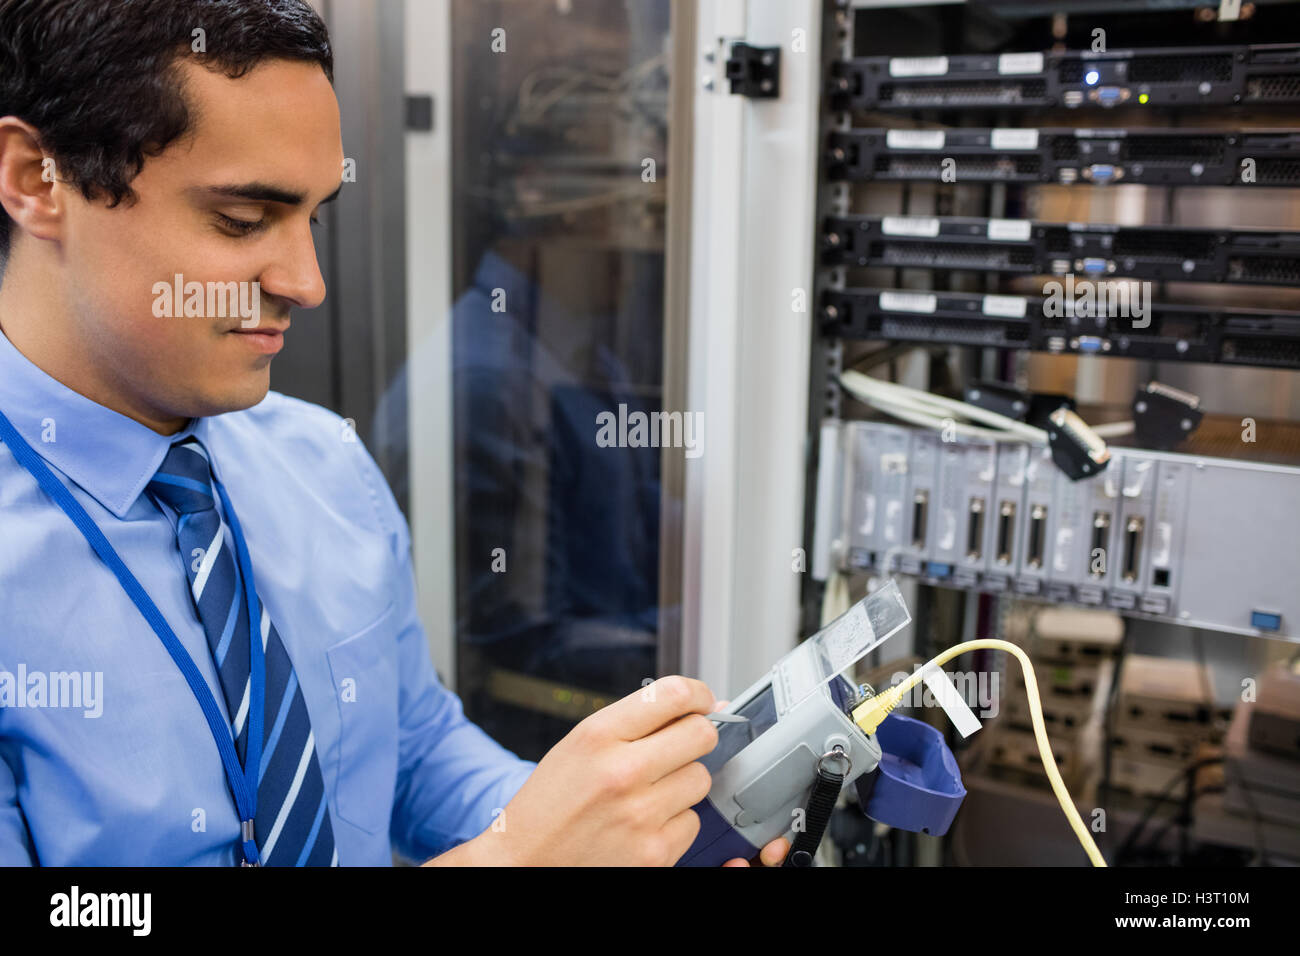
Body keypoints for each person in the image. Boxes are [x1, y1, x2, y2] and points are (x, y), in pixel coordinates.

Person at [0, 0, 788, 867]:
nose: (307, 282)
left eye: (316, 218)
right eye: (242, 220)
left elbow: (413, 759)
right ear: (40, 180)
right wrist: (517, 858)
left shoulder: (322, 465)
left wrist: (630, 831)